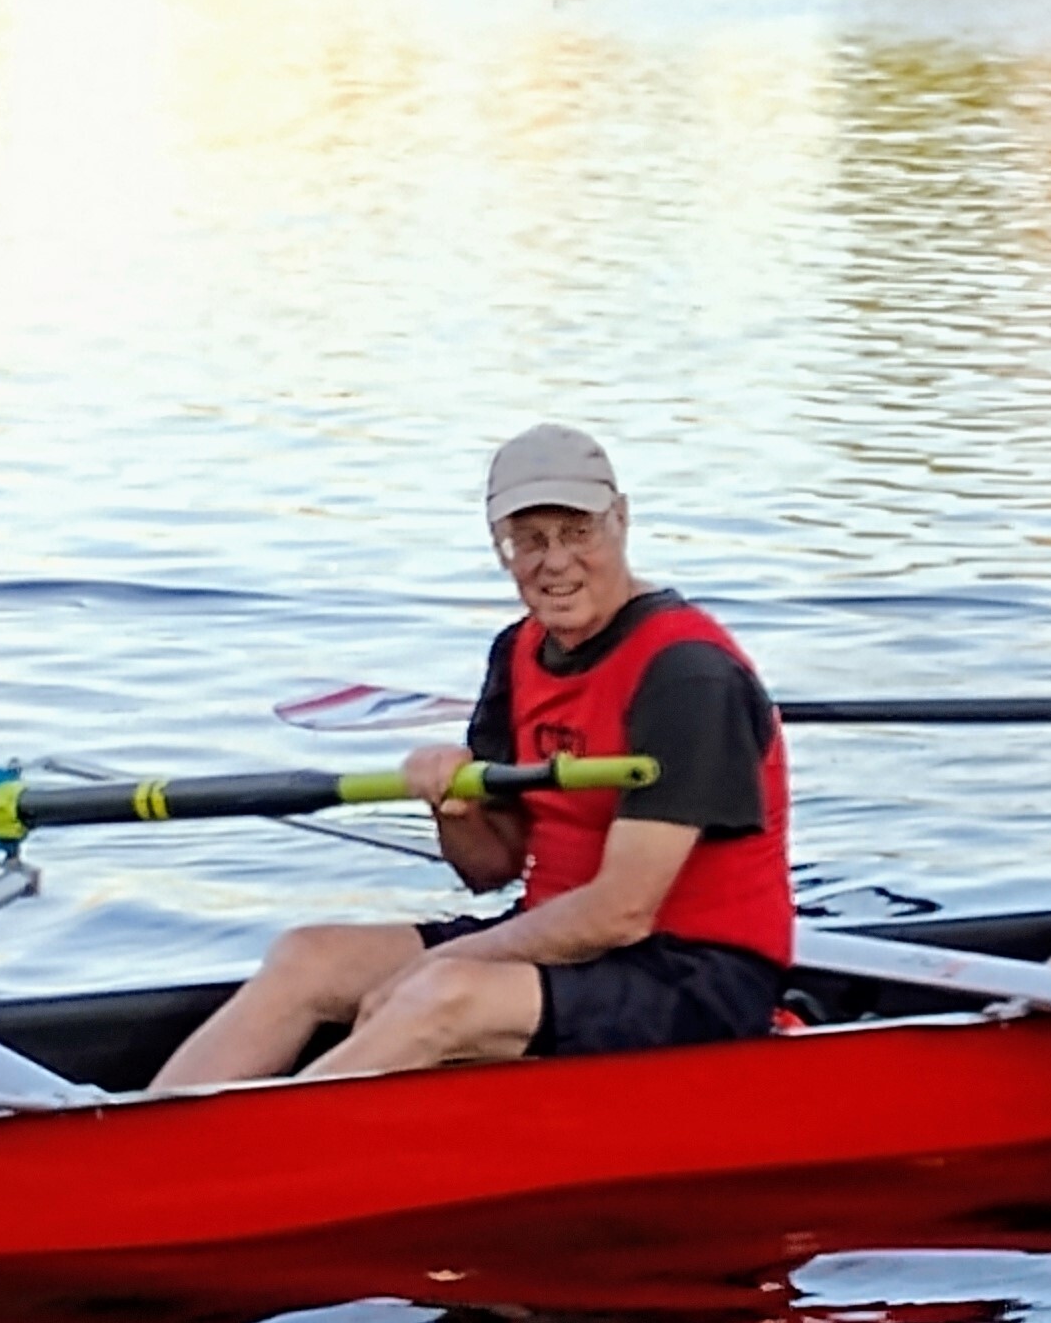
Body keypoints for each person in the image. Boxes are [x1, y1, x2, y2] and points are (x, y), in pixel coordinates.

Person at [154, 424, 791, 1084]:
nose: (556, 562)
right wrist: (454, 807)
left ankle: (238, 1167)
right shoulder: (518, 653)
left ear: (621, 521)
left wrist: (436, 967)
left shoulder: (688, 677)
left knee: (438, 996)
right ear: (501, 547)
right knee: (308, 956)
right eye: (529, 540)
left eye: (578, 533)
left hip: (696, 973)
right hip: (562, 940)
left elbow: (620, 914)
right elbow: (492, 869)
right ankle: (144, 1144)